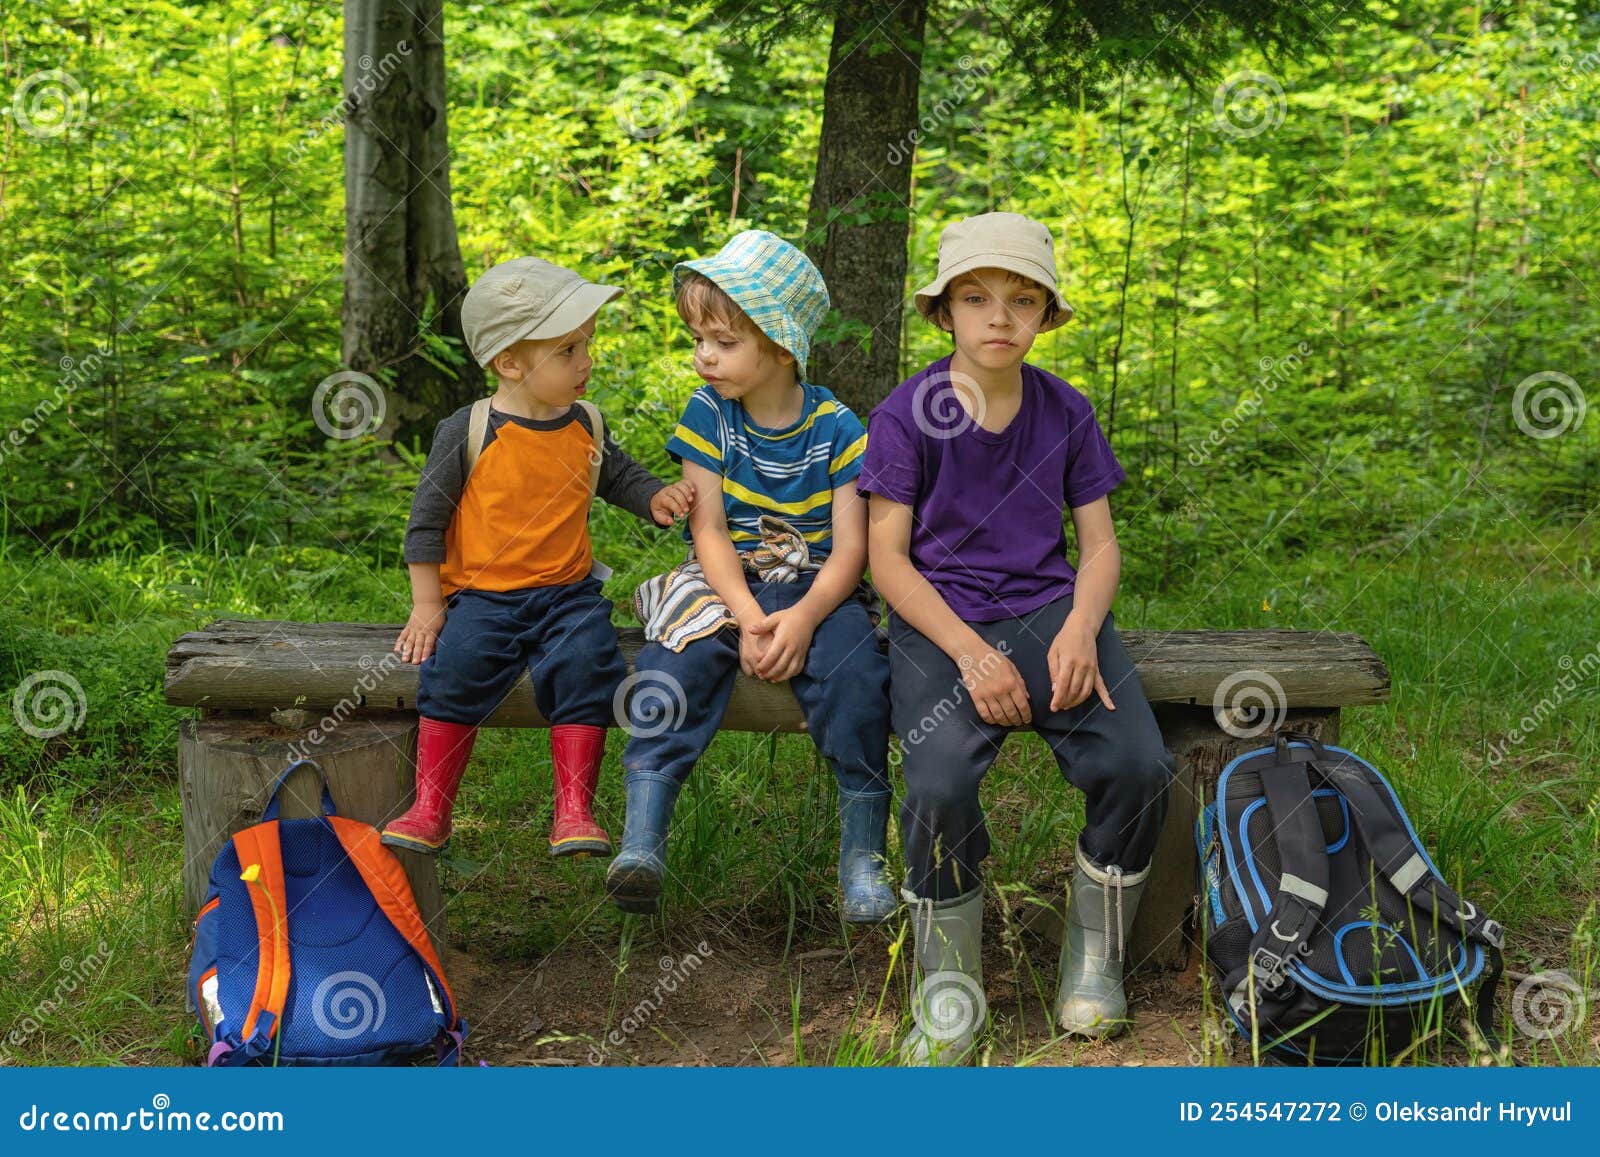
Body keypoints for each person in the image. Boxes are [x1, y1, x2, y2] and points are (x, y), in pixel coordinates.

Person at [858, 212, 1177, 1063]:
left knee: (1140, 766)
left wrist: (1079, 626)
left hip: (1048, 609)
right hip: (942, 617)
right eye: (977, 297)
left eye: (1021, 299)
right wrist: (968, 651)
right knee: (935, 781)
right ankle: (951, 989)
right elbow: (887, 562)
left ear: (1045, 315)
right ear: (945, 313)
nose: (999, 316)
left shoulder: (1064, 410)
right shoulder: (906, 414)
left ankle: (1093, 959)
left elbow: (1100, 545)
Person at [604, 230, 895, 924]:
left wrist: (797, 617)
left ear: (781, 344)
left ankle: (862, 857)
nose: (704, 355)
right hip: (721, 575)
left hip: (818, 583)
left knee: (857, 677)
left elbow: (853, 549)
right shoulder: (709, 415)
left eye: (723, 341)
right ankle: (643, 836)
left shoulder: (837, 426)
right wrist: (744, 612)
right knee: (670, 662)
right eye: (698, 338)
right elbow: (706, 529)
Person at [385, 256, 694, 859]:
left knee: (588, 665)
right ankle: (431, 808)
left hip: (566, 594)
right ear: (509, 363)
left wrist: (654, 495)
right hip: (482, 595)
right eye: (568, 351)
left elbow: (617, 475)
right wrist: (428, 605)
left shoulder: (586, 424)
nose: (586, 362)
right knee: (454, 669)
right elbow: (426, 521)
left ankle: (574, 810)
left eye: (587, 346)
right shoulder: (469, 430)